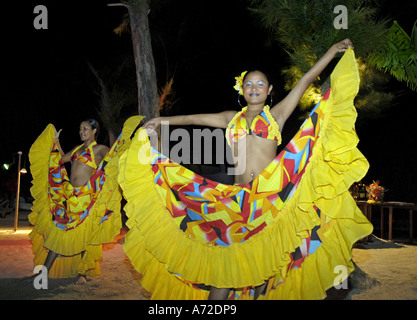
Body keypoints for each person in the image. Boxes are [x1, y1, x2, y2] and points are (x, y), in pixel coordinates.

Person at [119, 40, 372, 299]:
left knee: (262, 273)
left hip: (270, 203)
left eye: (260, 84)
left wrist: (333, 51)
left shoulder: (277, 115)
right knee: (228, 272)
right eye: (249, 84)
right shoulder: (231, 118)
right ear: (242, 89)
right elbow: (192, 119)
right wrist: (159, 121)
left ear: (269, 90)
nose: (254, 88)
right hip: (238, 201)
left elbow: (306, 79)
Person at [28, 117, 142, 284]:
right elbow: (61, 158)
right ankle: (43, 272)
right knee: (59, 231)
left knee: (85, 235)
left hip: (87, 199)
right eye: (80, 129)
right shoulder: (76, 149)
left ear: (94, 131)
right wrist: (56, 142)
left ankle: (82, 274)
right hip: (70, 197)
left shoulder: (100, 149)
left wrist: (121, 142)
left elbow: (114, 158)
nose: (82, 132)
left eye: (85, 129)